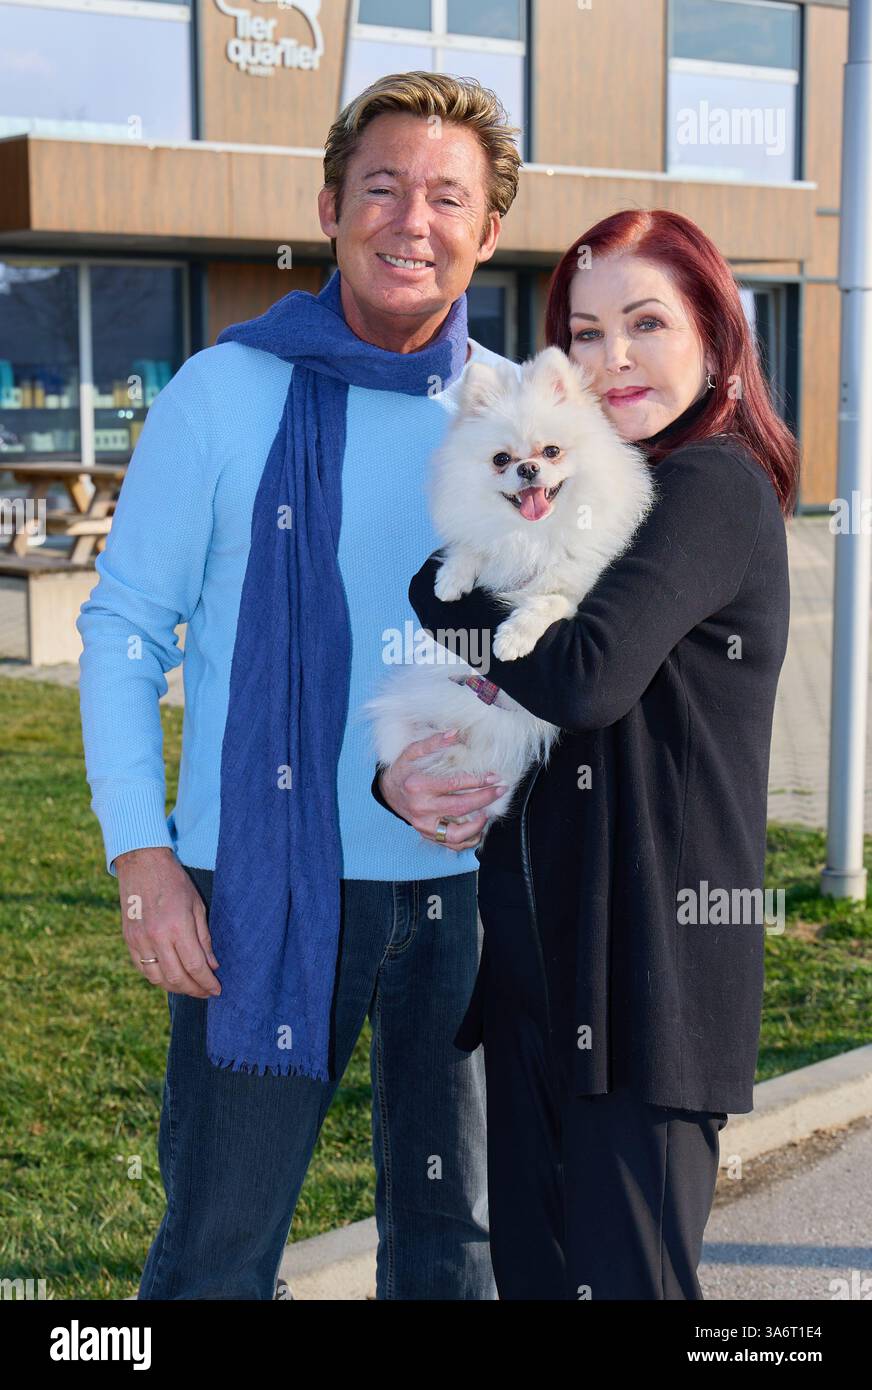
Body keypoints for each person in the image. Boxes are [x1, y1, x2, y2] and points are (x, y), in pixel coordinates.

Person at [76, 70, 523, 1301]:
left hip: (467, 902)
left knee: (457, 1249)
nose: (410, 220)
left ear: (487, 233)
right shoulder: (223, 391)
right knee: (219, 1251)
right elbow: (123, 628)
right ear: (329, 206)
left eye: (448, 197)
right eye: (380, 186)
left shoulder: (518, 414)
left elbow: (569, 638)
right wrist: (142, 859)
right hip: (257, 889)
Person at [377, 208, 798, 1299]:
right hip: (538, 968)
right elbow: (511, 696)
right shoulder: (592, 492)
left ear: (712, 332)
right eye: (586, 328)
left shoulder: (708, 486)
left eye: (646, 323)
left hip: (647, 978)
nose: (613, 358)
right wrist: (400, 776)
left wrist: (431, 588)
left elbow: (580, 676)